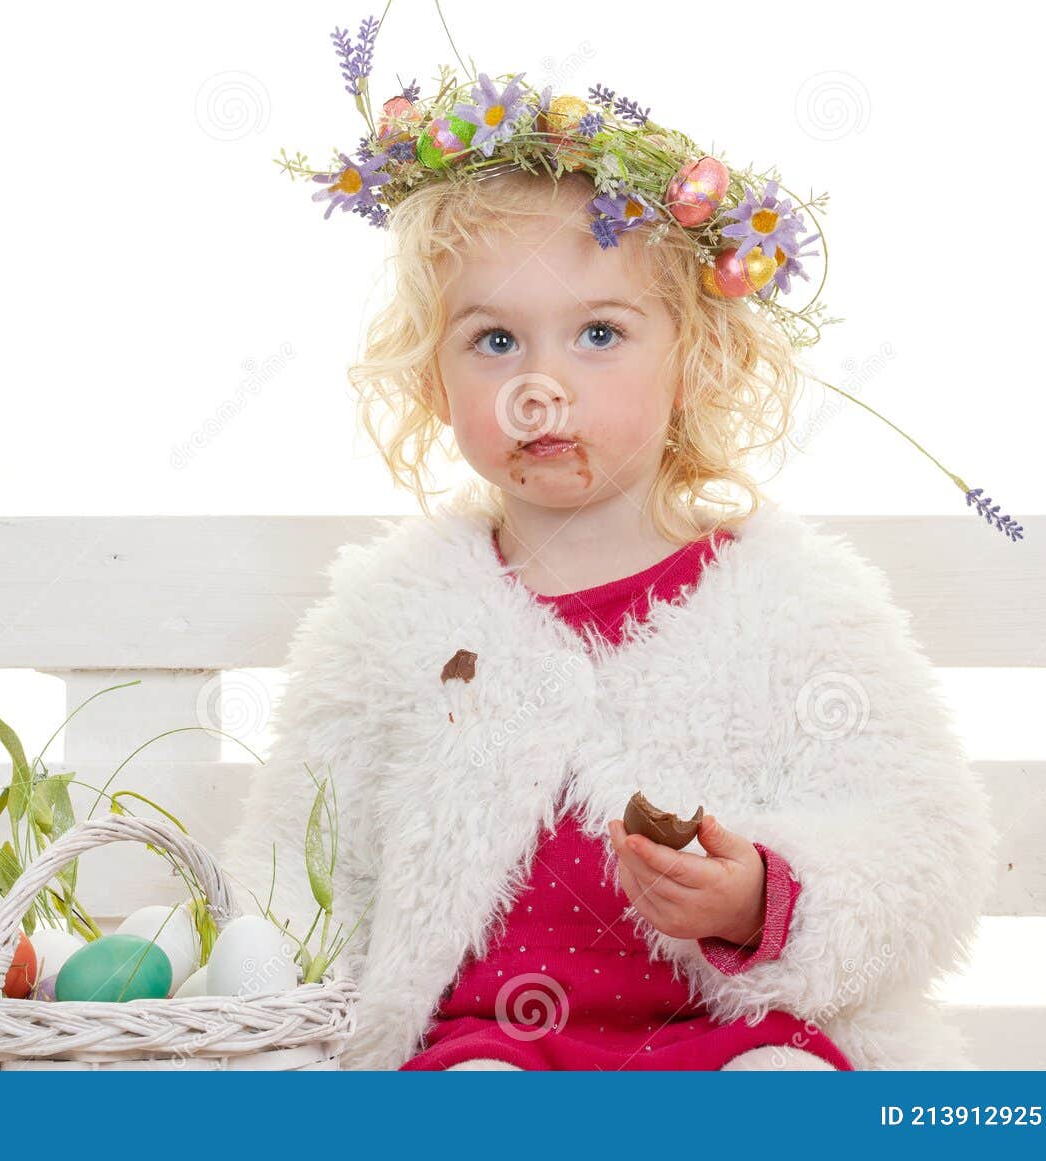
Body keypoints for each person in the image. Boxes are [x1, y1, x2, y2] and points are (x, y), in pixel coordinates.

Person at [215, 22, 1004, 1070]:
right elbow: (298, 866)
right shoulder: (391, 618)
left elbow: (922, 846)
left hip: (732, 1040)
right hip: (489, 1044)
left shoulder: (794, 604)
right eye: (495, 340)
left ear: (695, 357)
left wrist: (759, 896)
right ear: (432, 378)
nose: (540, 385)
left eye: (598, 334)